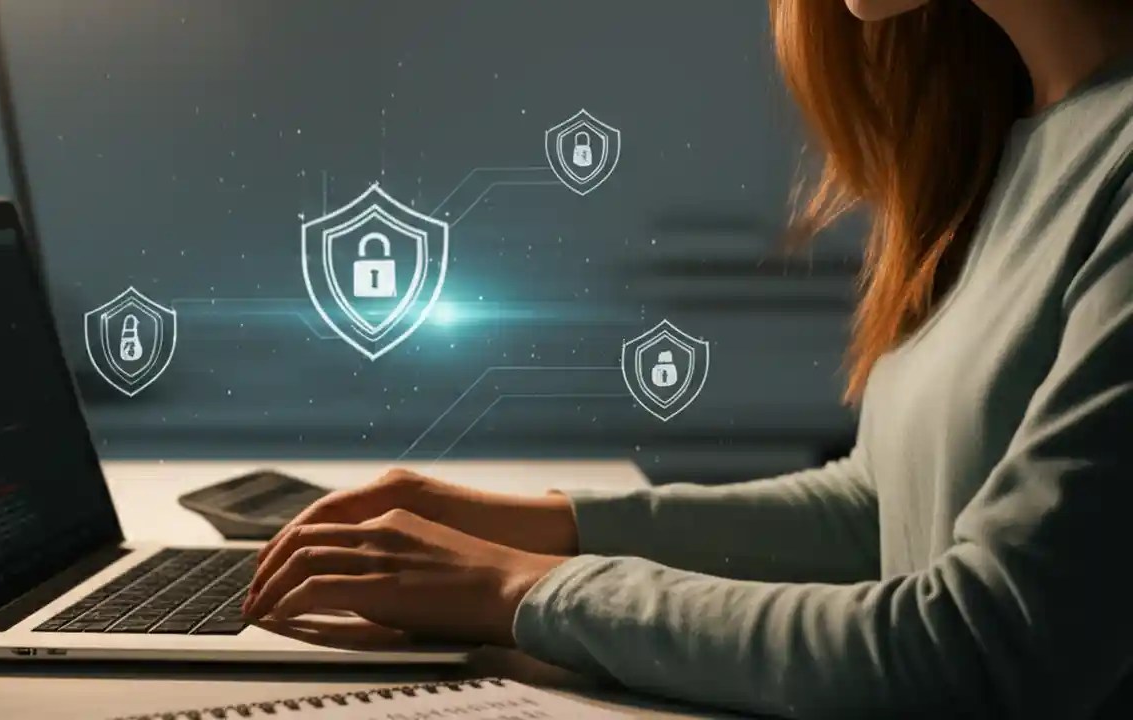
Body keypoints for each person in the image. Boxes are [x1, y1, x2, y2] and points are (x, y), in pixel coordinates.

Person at [245, 0, 1133, 716]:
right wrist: (538, 526)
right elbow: (877, 516)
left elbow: (990, 651)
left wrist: (525, 588)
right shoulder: (1008, 135)